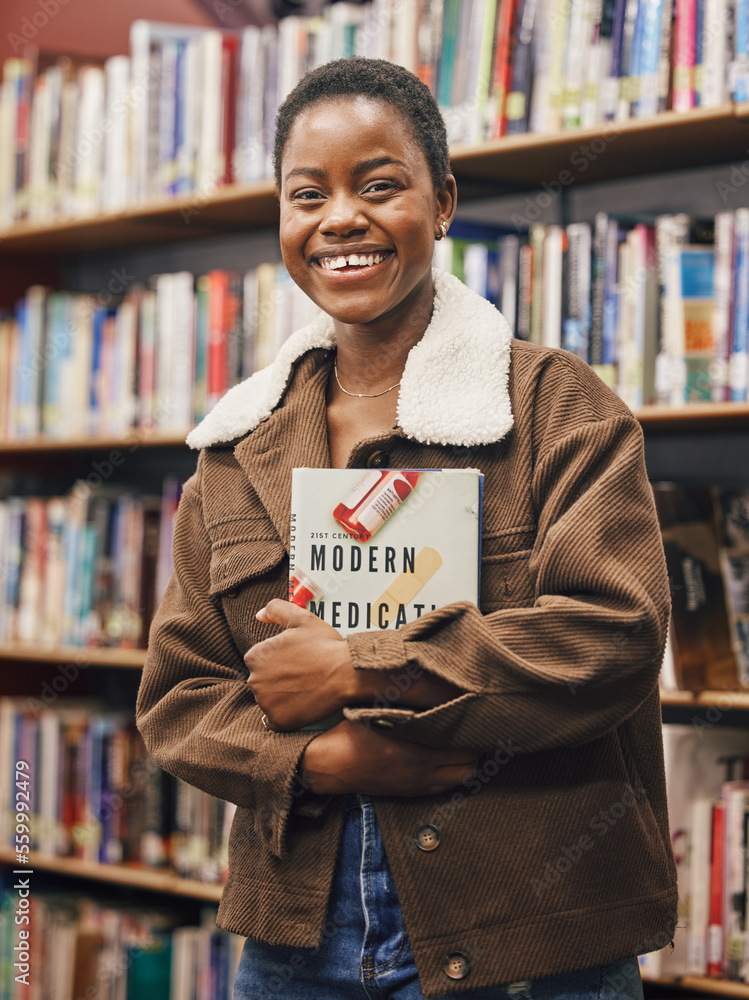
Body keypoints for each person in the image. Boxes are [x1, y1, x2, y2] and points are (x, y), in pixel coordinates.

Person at [136, 57, 677, 1000]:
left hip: (525, 933)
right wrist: (318, 760)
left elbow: (612, 633)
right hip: (298, 939)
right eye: (308, 194)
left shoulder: (555, 407)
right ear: (282, 220)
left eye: (378, 185)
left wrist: (363, 669)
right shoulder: (234, 451)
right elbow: (178, 701)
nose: (340, 217)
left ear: (443, 203)